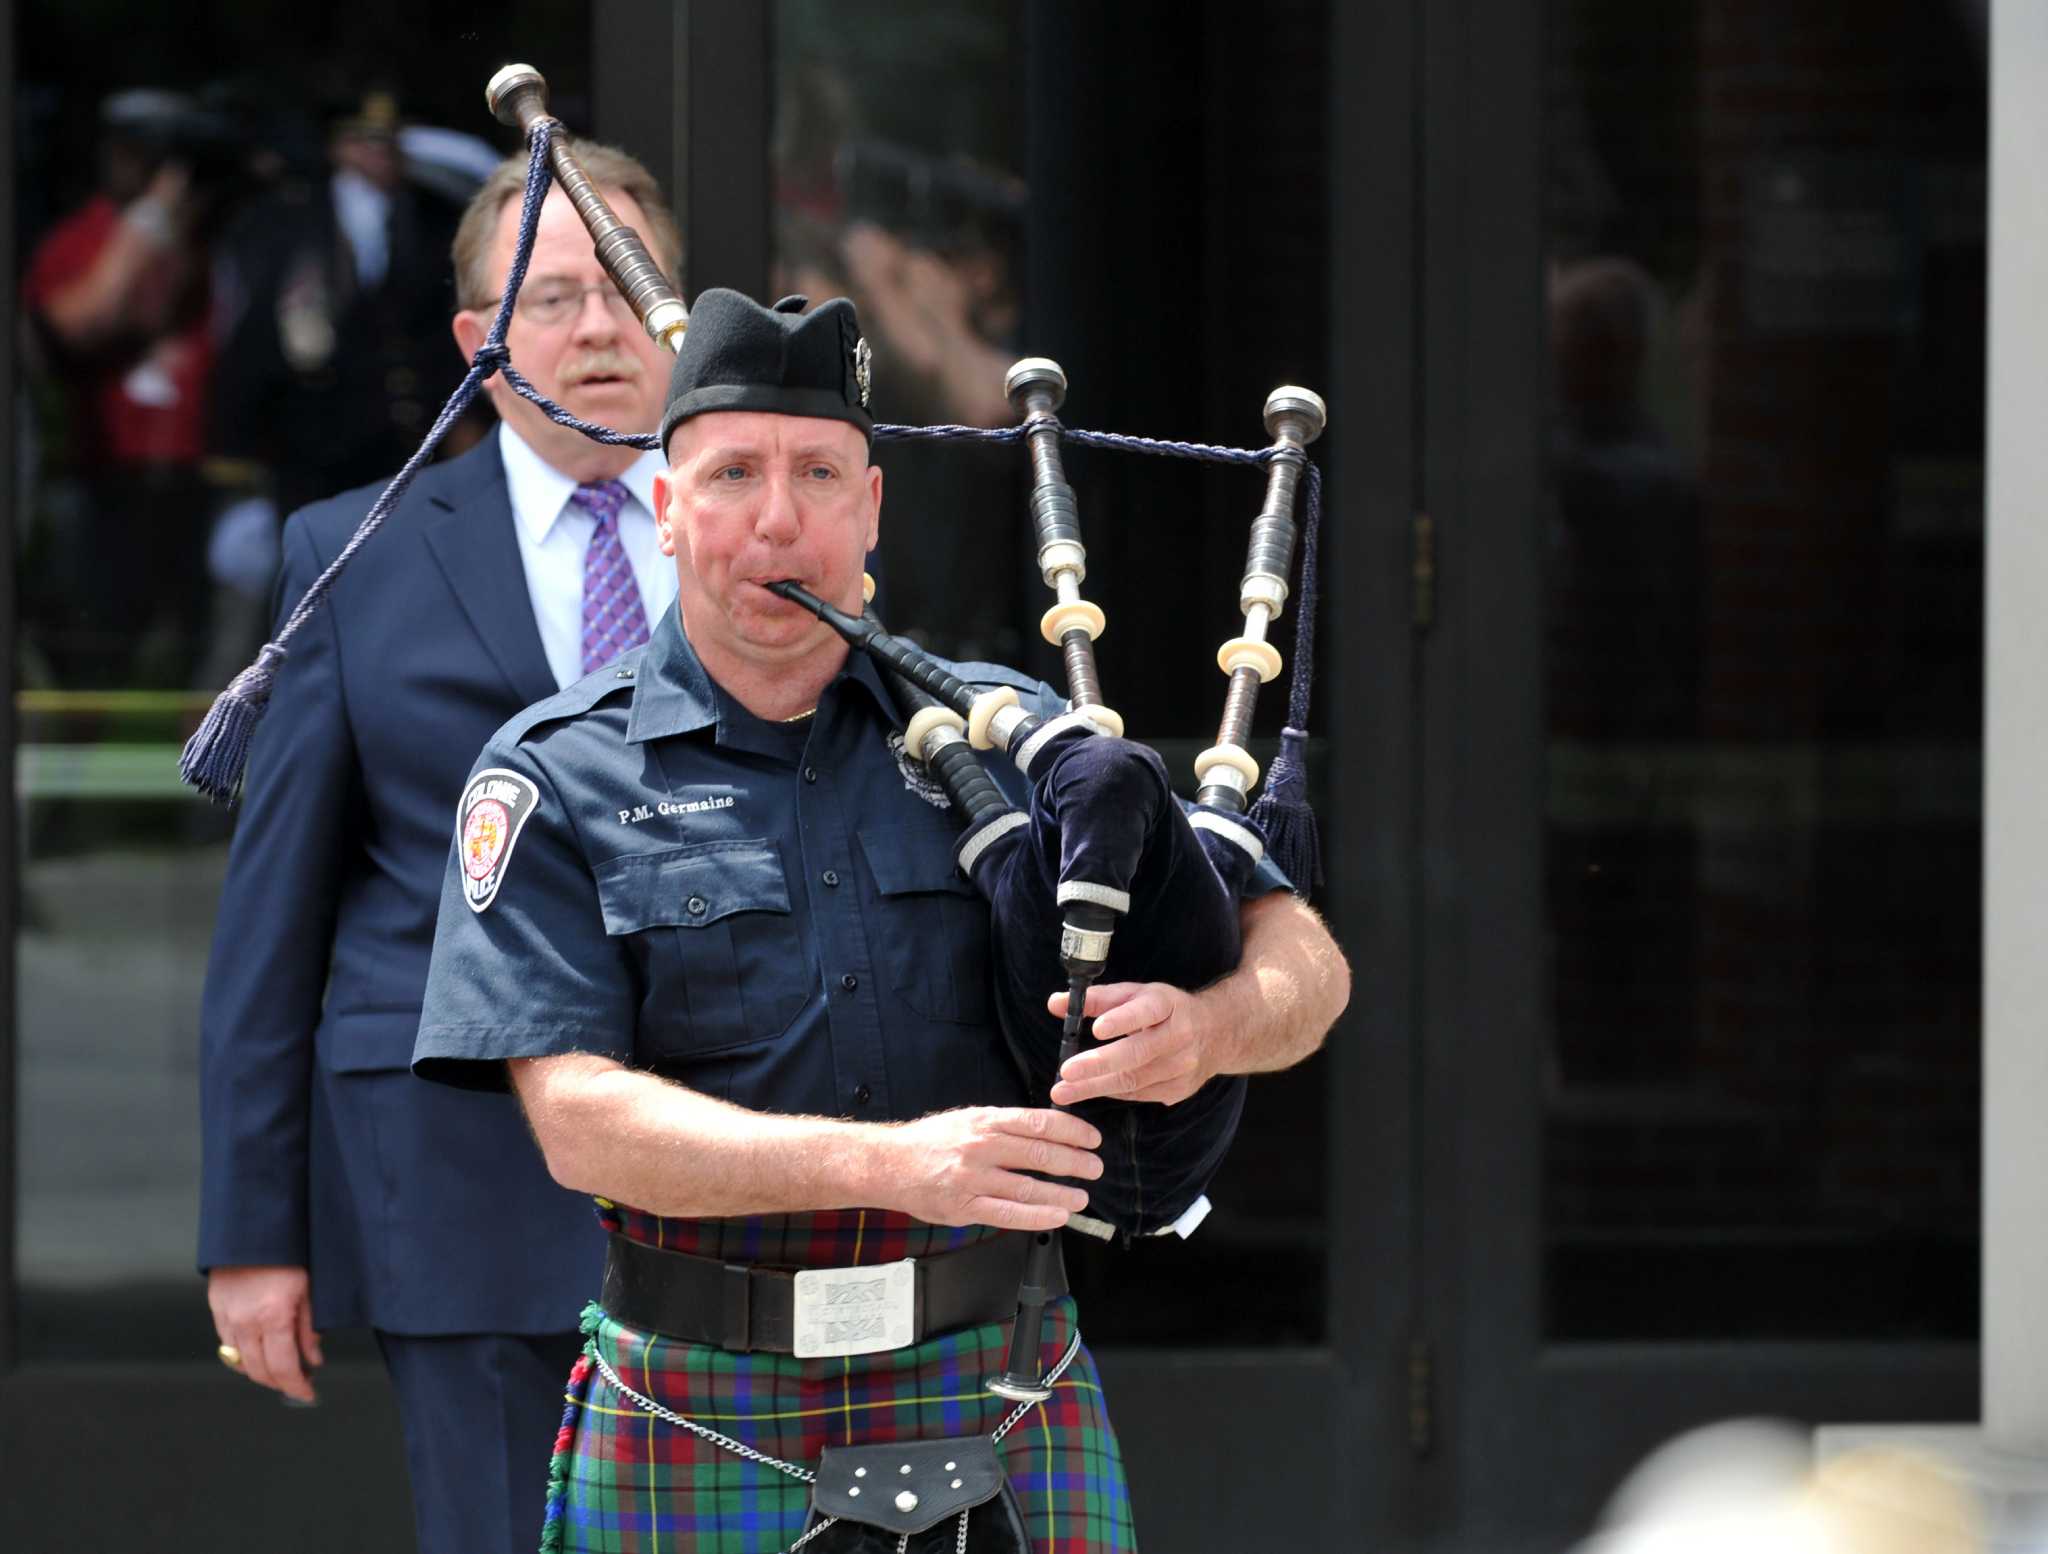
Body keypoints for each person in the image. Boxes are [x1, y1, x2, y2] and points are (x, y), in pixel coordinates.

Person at [412, 288, 1351, 1552]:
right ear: (668, 510)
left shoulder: (1022, 737)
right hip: (694, 1400)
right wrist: (893, 1167)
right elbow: (578, 1123)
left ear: (870, 512)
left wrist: (1209, 1027)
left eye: (817, 472)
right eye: (733, 471)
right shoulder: (558, 774)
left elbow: (1303, 958)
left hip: (996, 1381)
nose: (777, 517)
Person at [196, 138, 683, 1554]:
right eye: (550, 298)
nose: (595, 328)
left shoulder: (768, 535)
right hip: (459, 1174)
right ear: (479, 342)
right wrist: (251, 1229)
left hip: (748, 1159)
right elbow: (273, 919)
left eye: (625, 289)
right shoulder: (359, 557)